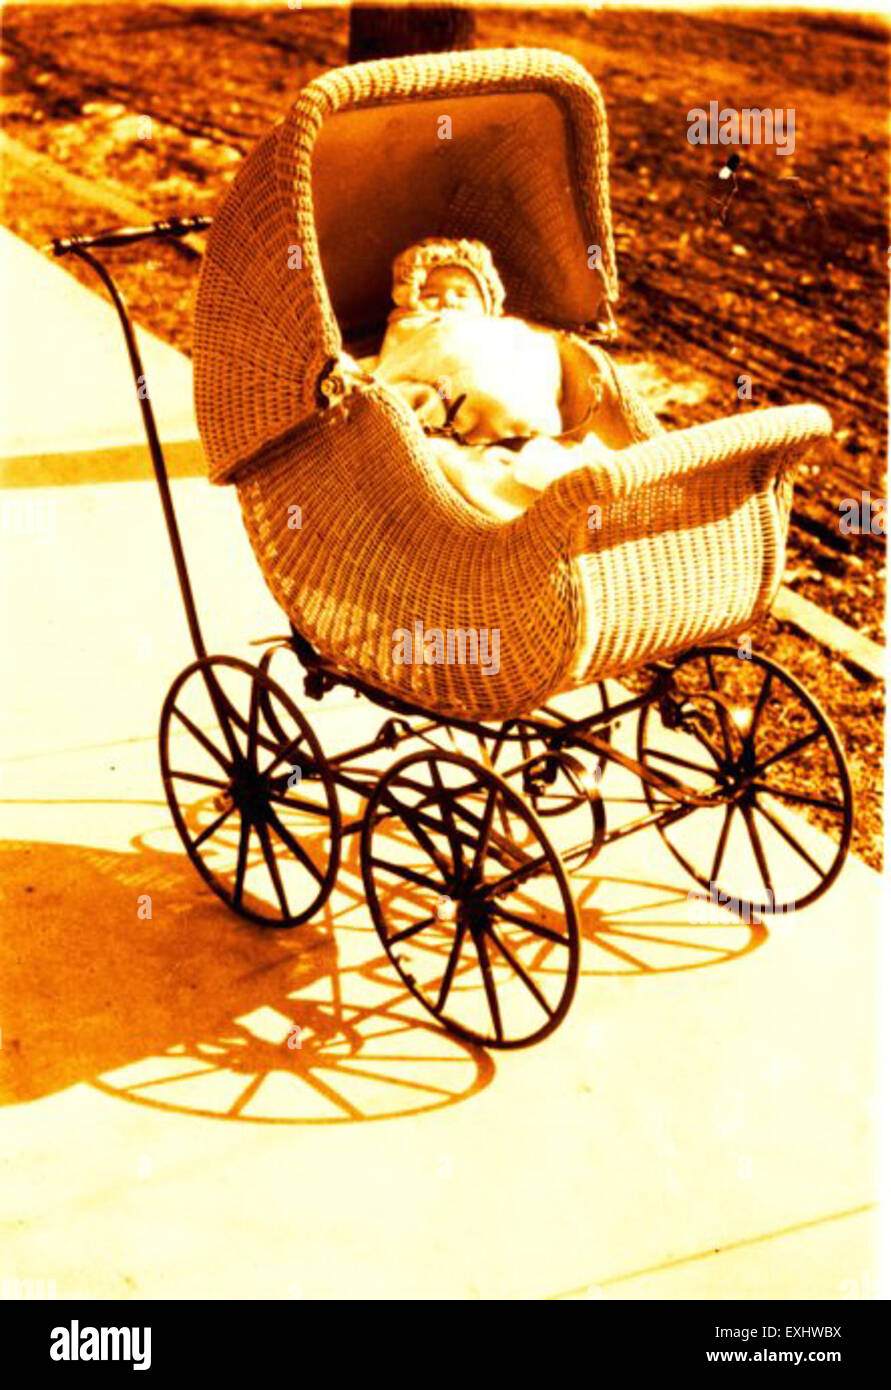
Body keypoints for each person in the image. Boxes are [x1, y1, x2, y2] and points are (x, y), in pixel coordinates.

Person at [374, 237, 616, 519]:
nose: (447, 300)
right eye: (430, 294)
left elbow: (537, 358)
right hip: (460, 434)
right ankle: (524, 510)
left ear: (488, 301)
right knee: (469, 473)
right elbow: (393, 371)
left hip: (531, 430)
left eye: (462, 294)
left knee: (557, 458)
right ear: (411, 298)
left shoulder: (507, 330)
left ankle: (562, 476)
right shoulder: (413, 330)